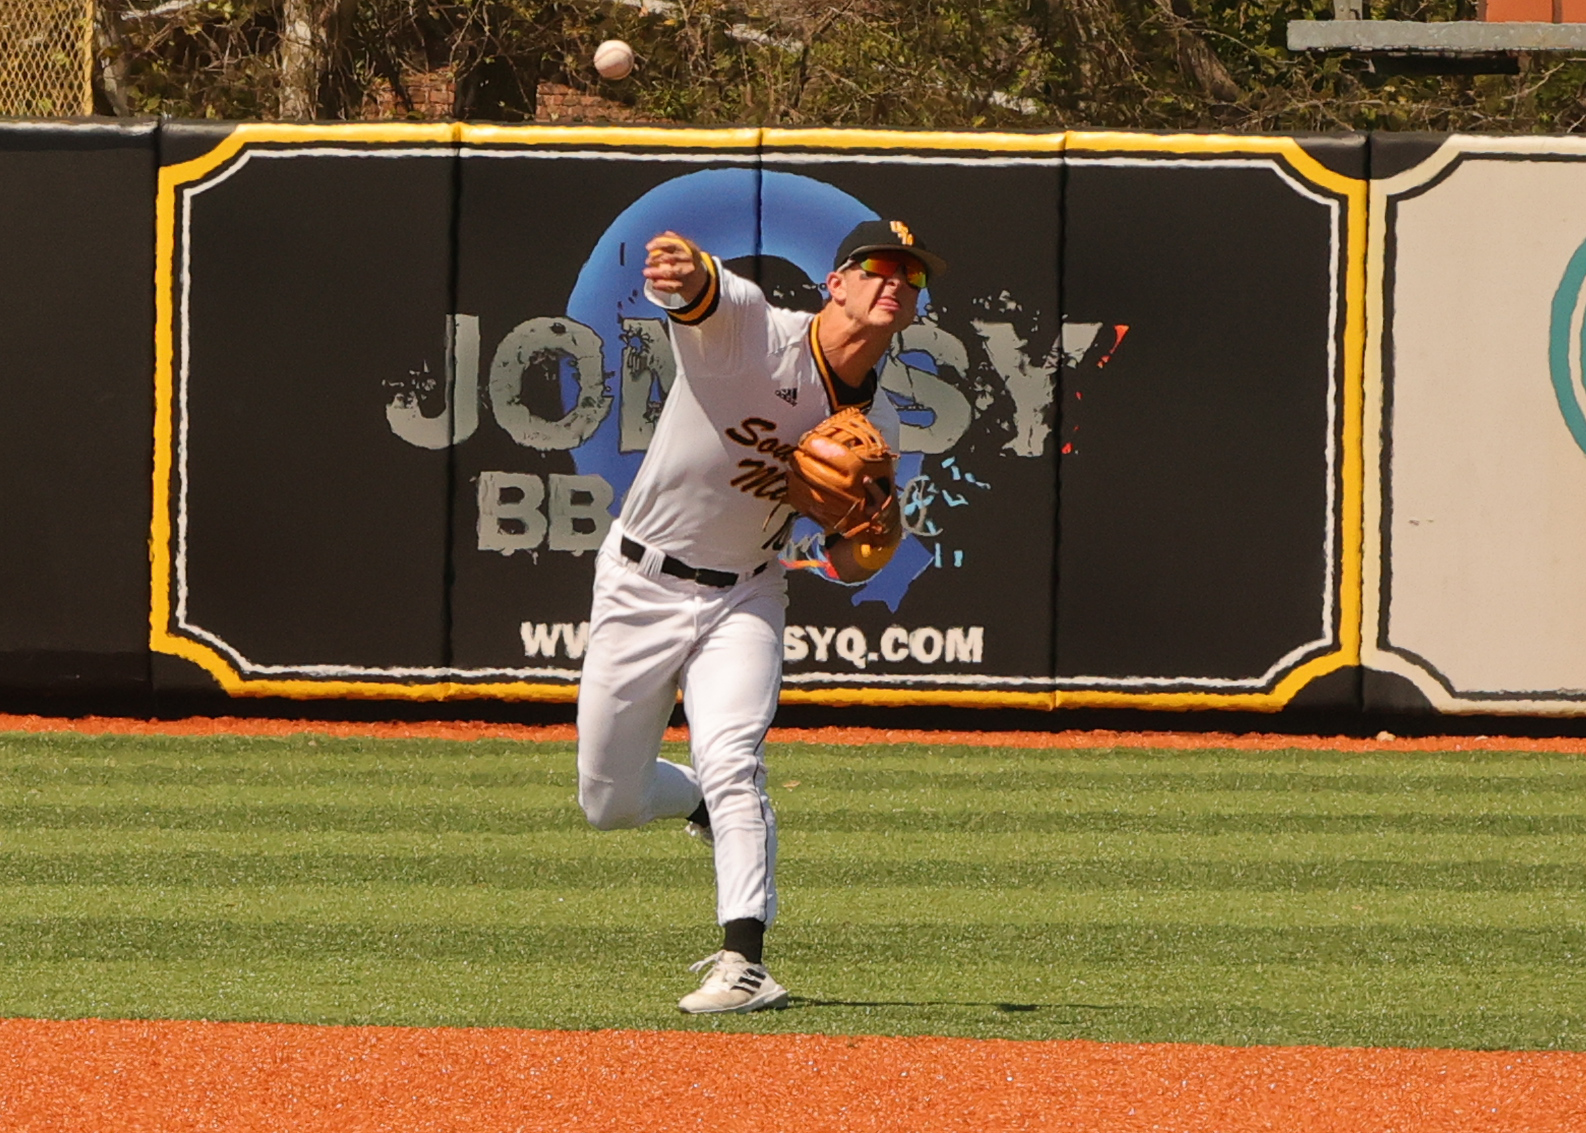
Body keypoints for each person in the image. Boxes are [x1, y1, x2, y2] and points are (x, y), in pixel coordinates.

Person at [574, 219, 948, 1013]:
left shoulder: (874, 425)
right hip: (641, 581)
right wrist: (681, 270)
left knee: (734, 757)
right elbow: (705, 289)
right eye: (877, 265)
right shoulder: (752, 330)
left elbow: (849, 562)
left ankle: (745, 961)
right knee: (608, 801)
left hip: (747, 591)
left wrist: (872, 544)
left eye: (911, 277)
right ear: (834, 284)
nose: (895, 282)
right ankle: (699, 803)